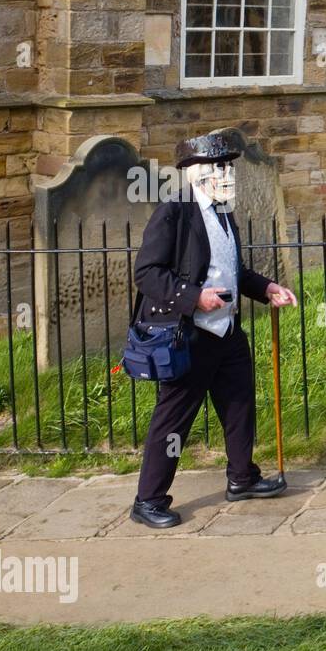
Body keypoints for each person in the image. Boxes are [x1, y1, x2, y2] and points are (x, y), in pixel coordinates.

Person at [129, 132, 298, 529]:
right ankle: (148, 500)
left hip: (227, 332)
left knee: (239, 403)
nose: (227, 174)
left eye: (228, 166)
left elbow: (231, 269)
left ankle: (242, 478)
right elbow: (146, 273)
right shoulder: (173, 212)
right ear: (194, 173)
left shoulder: (223, 211)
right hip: (188, 336)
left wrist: (267, 288)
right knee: (172, 420)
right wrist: (194, 298)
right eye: (219, 166)